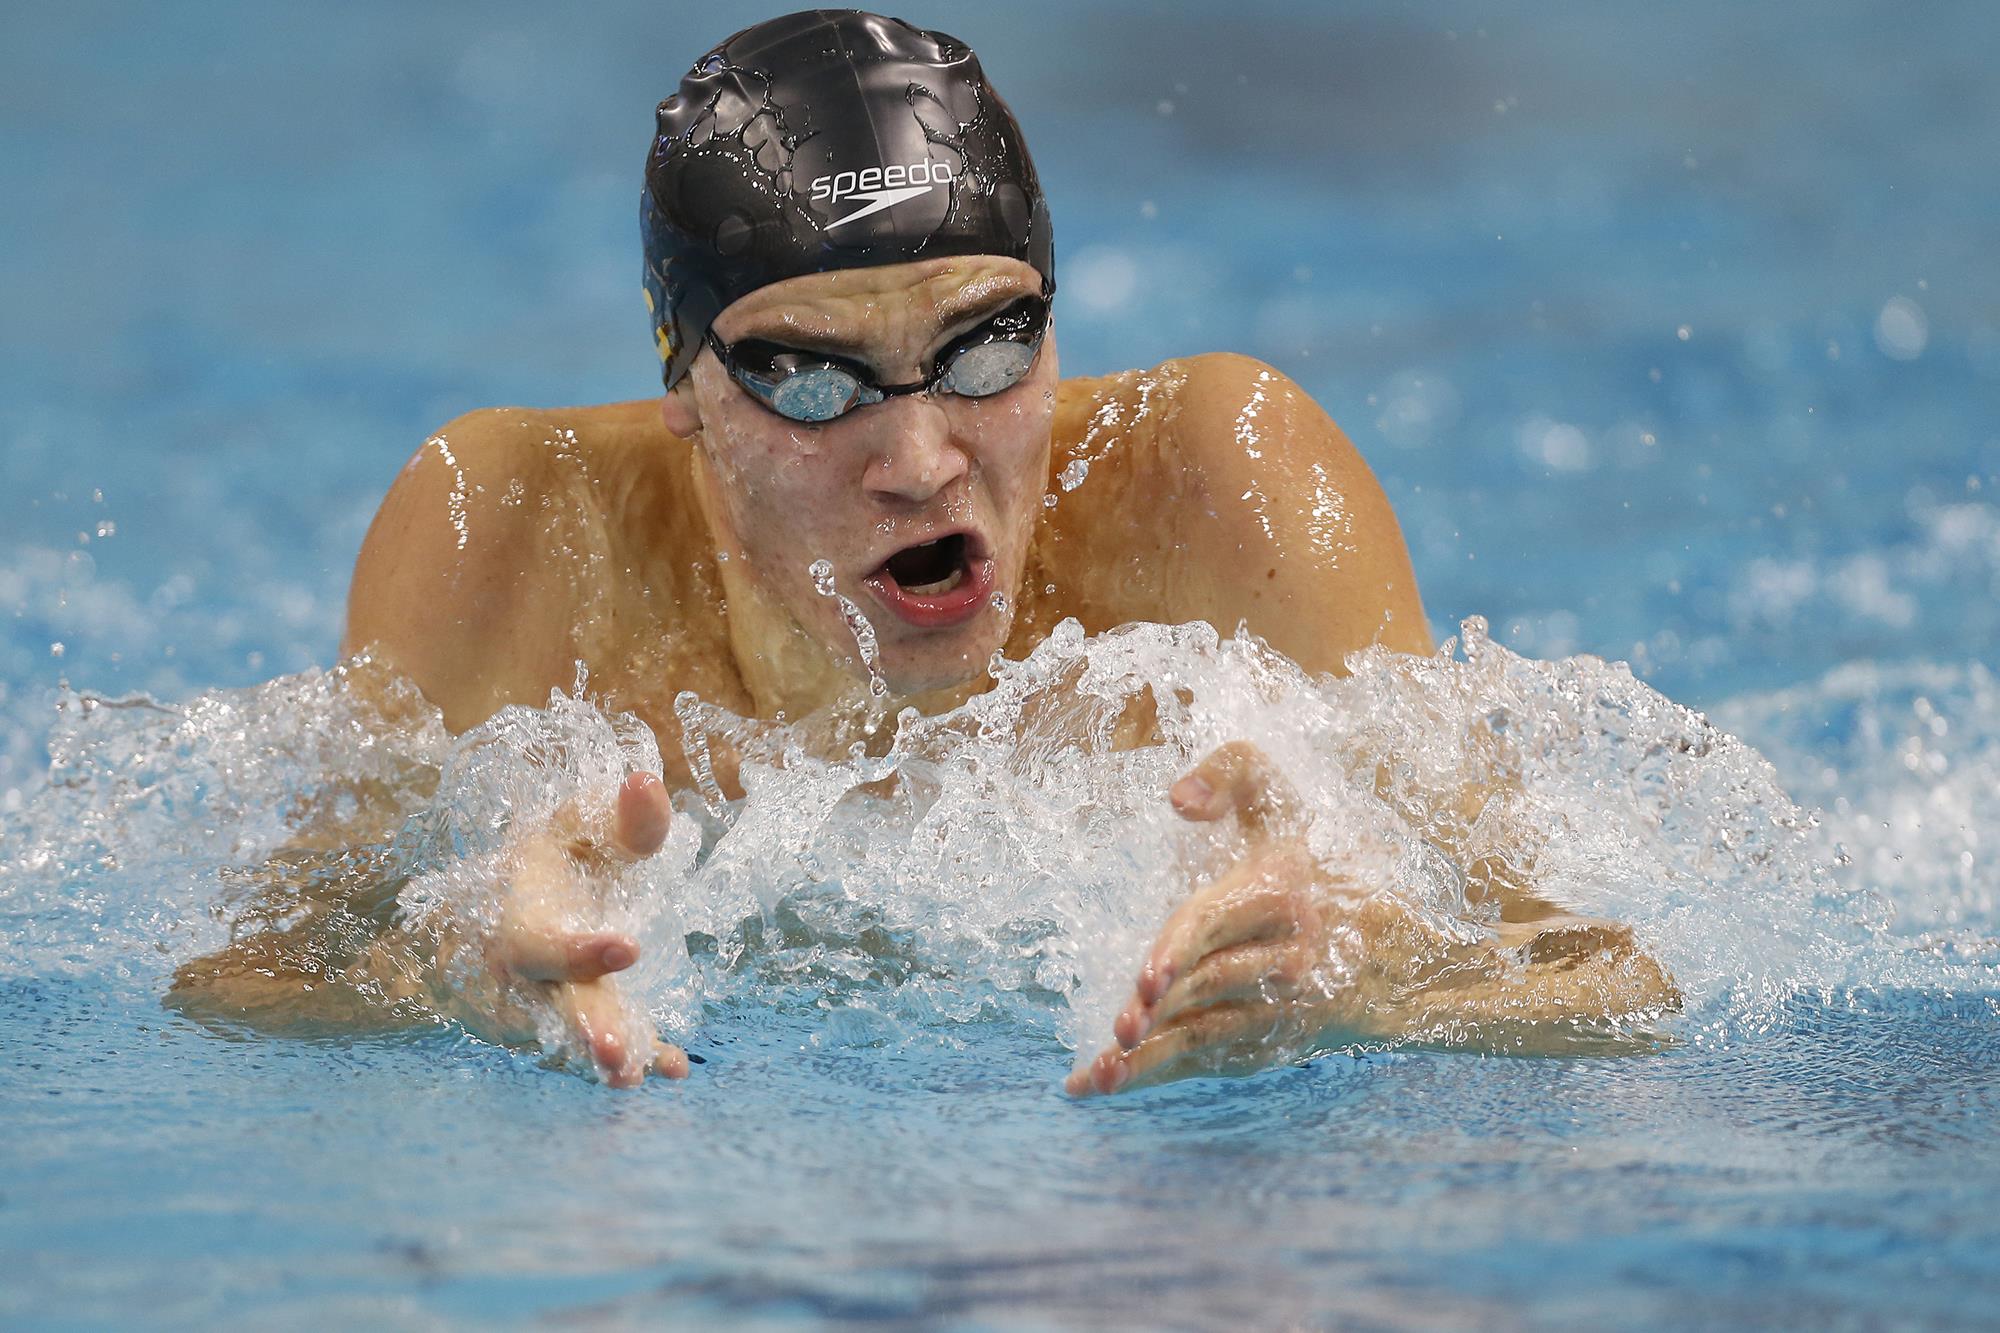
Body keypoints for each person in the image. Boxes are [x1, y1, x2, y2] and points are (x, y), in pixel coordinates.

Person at [172, 10, 1677, 1091]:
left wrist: (1380, 963)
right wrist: (445, 968)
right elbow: (241, 980)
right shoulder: (504, 528)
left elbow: (1606, 981)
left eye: (983, 346)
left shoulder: (1227, 485)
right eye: (811, 378)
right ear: (687, 391)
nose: (920, 458)